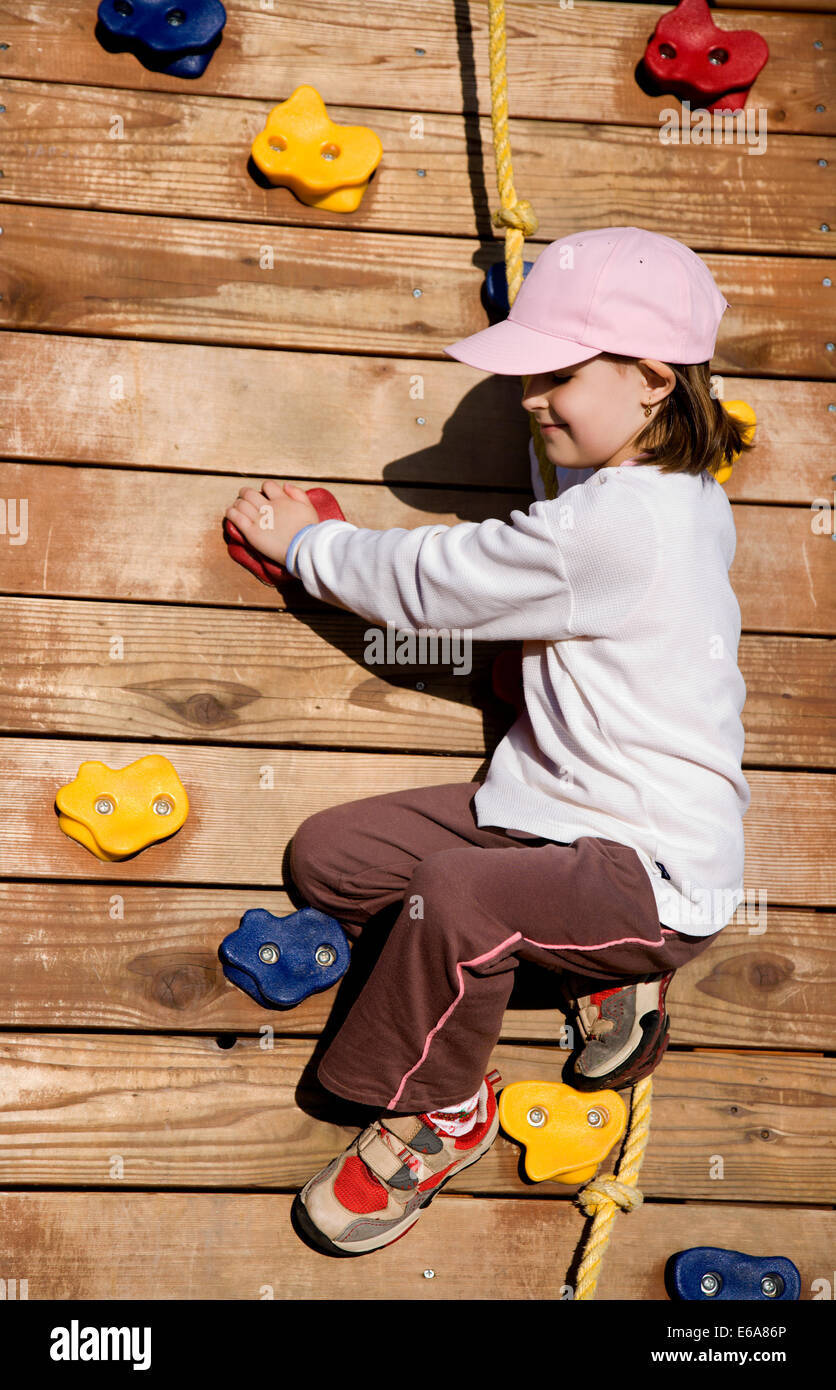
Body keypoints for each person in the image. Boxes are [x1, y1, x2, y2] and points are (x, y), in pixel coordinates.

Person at [224, 226, 754, 1258]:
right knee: (333, 857)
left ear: (651, 379)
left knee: (457, 898)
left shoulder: (624, 524)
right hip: (558, 807)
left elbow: (439, 580)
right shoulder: (639, 495)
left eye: (553, 374)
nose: (528, 398)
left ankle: (435, 1111)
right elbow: (553, 496)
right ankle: (594, 974)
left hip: (647, 871)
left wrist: (307, 546)